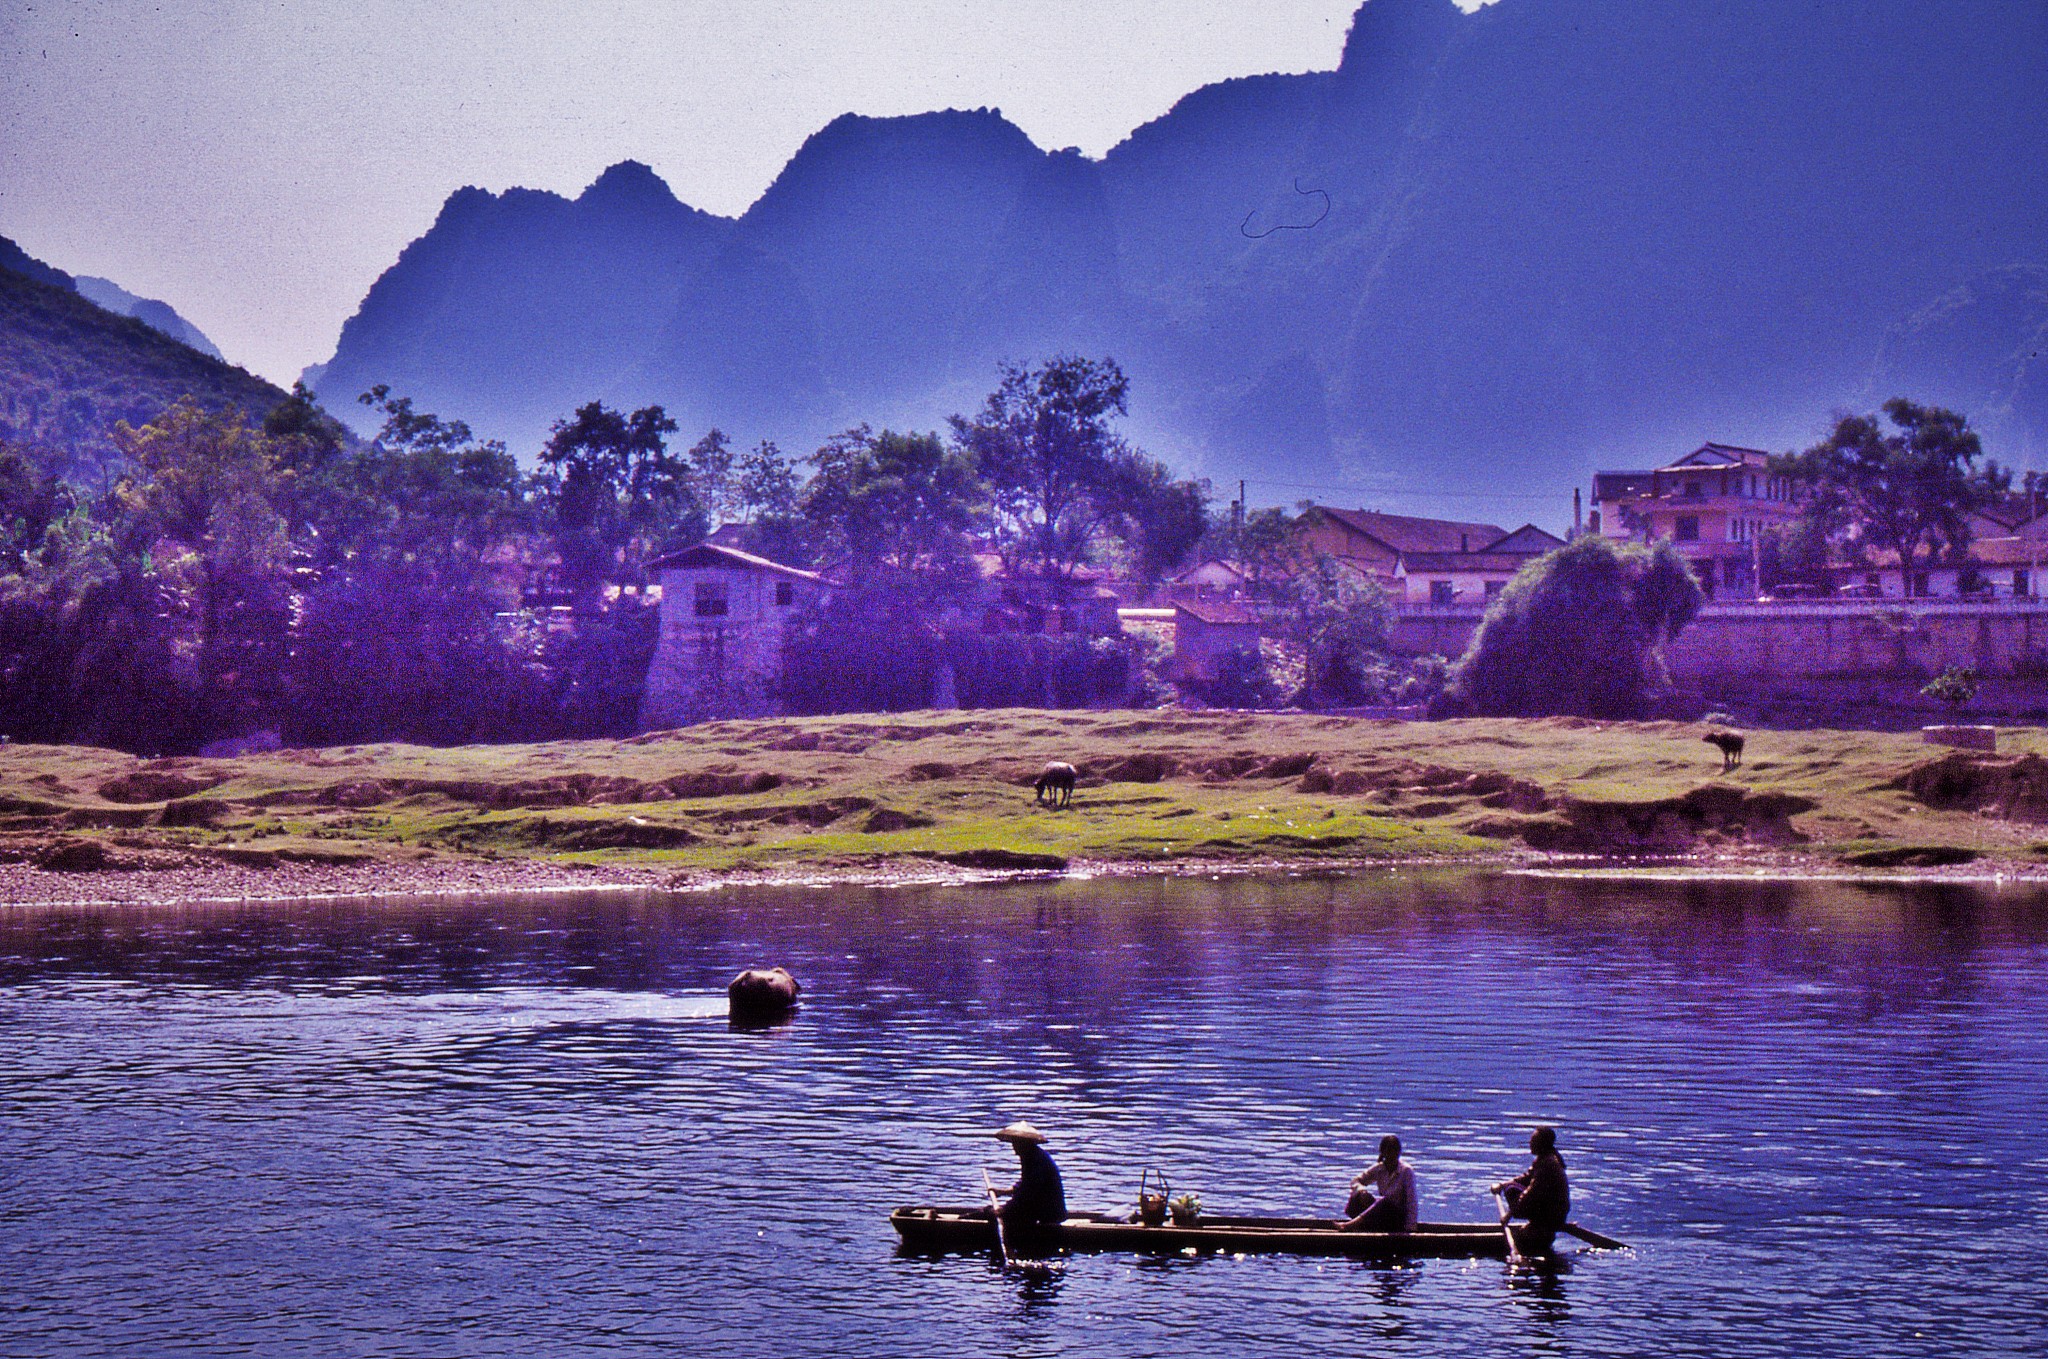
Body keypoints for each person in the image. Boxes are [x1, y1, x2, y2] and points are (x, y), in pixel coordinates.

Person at [1493, 1125, 1571, 1251]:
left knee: (1511, 1190)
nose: (1530, 1143)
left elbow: (1530, 1194)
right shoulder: (1544, 1160)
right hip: (1552, 1214)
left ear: (1542, 1144)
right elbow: (1526, 1178)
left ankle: (1538, 1227)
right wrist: (1502, 1185)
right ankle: (1536, 1225)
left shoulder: (1548, 1164)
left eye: (1533, 1141)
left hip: (1552, 1217)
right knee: (1510, 1186)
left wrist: (1508, 1215)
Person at [1336, 1134, 1418, 1233]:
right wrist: (1362, 1191)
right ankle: (1363, 1227)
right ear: (1383, 1153)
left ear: (1398, 1153)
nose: (1391, 1156)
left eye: (1394, 1153)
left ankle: (1350, 1225)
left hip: (1398, 1220)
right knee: (1356, 1197)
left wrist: (1410, 1228)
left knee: (1383, 1201)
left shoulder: (1406, 1171)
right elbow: (1355, 1181)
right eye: (1388, 1153)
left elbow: (1412, 1201)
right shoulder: (1379, 1168)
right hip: (1383, 1217)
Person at [994, 1121, 1067, 1229]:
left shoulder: (1036, 1159)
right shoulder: (1031, 1156)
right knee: (993, 1211)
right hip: (1040, 1208)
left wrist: (1006, 1209)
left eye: (1015, 1145)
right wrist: (1006, 1191)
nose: (1014, 1150)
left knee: (992, 1214)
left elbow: (1029, 1192)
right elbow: (1025, 1183)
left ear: (1023, 1144)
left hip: (1049, 1213)